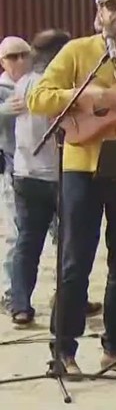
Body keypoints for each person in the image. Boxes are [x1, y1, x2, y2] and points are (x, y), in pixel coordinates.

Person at [26, 0, 116, 377]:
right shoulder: (77, 52)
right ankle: (63, 349)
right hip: (82, 166)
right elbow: (38, 98)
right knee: (74, 261)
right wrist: (87, 98)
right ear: (99, 13)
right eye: (112, 6)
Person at [7, 30, 69, 326]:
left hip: (25, 172)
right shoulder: (58, 85)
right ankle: (67, 300)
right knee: (69, 243)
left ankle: (20, 304)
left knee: (28, 243)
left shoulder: (23, 83)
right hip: (57, 175)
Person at [0, 36, 32, 313]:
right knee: (16, 233)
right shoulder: (2, 90)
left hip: (44, 169)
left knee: (62, 234)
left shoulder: (38, 83)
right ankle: (11, 293)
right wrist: (2, 112)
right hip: (13, 168)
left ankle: (65, 296)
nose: (20, 61)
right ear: (3, 61)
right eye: (13, 56)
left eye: (24, 54)